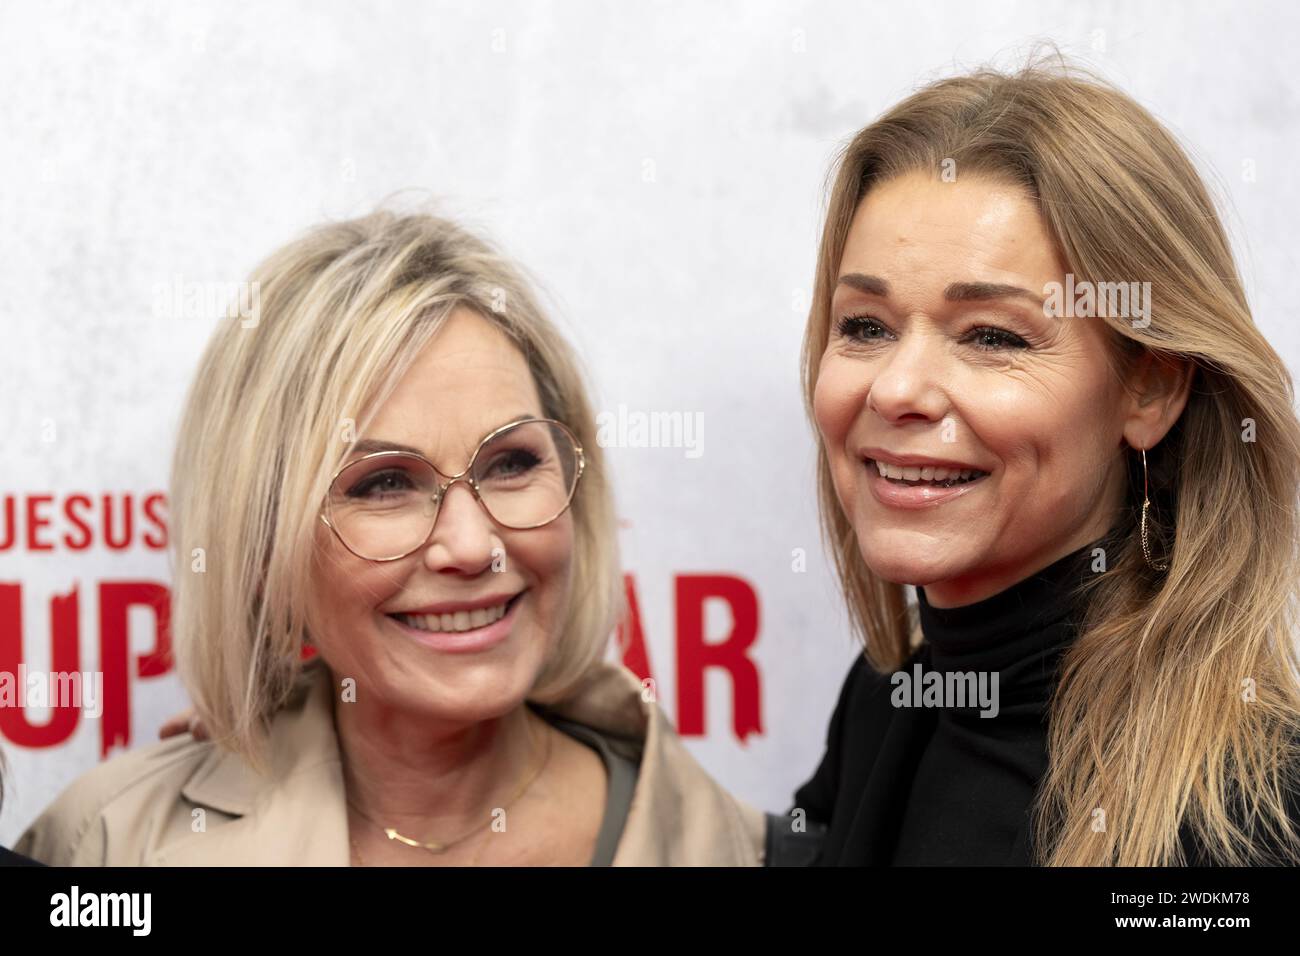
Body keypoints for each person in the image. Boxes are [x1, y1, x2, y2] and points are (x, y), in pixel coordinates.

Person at [16, 209, 765, 866]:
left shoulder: (752, 853)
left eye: (510, 463)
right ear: (262, 542)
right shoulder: (108, 848)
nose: (473, 547)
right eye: (384, 483)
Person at [783, 59, 1300, 865]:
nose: (898, 389)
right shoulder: (893, 690)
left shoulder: (1244, 814)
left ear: (1151, 388)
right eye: (866, 326)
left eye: (992, 336)